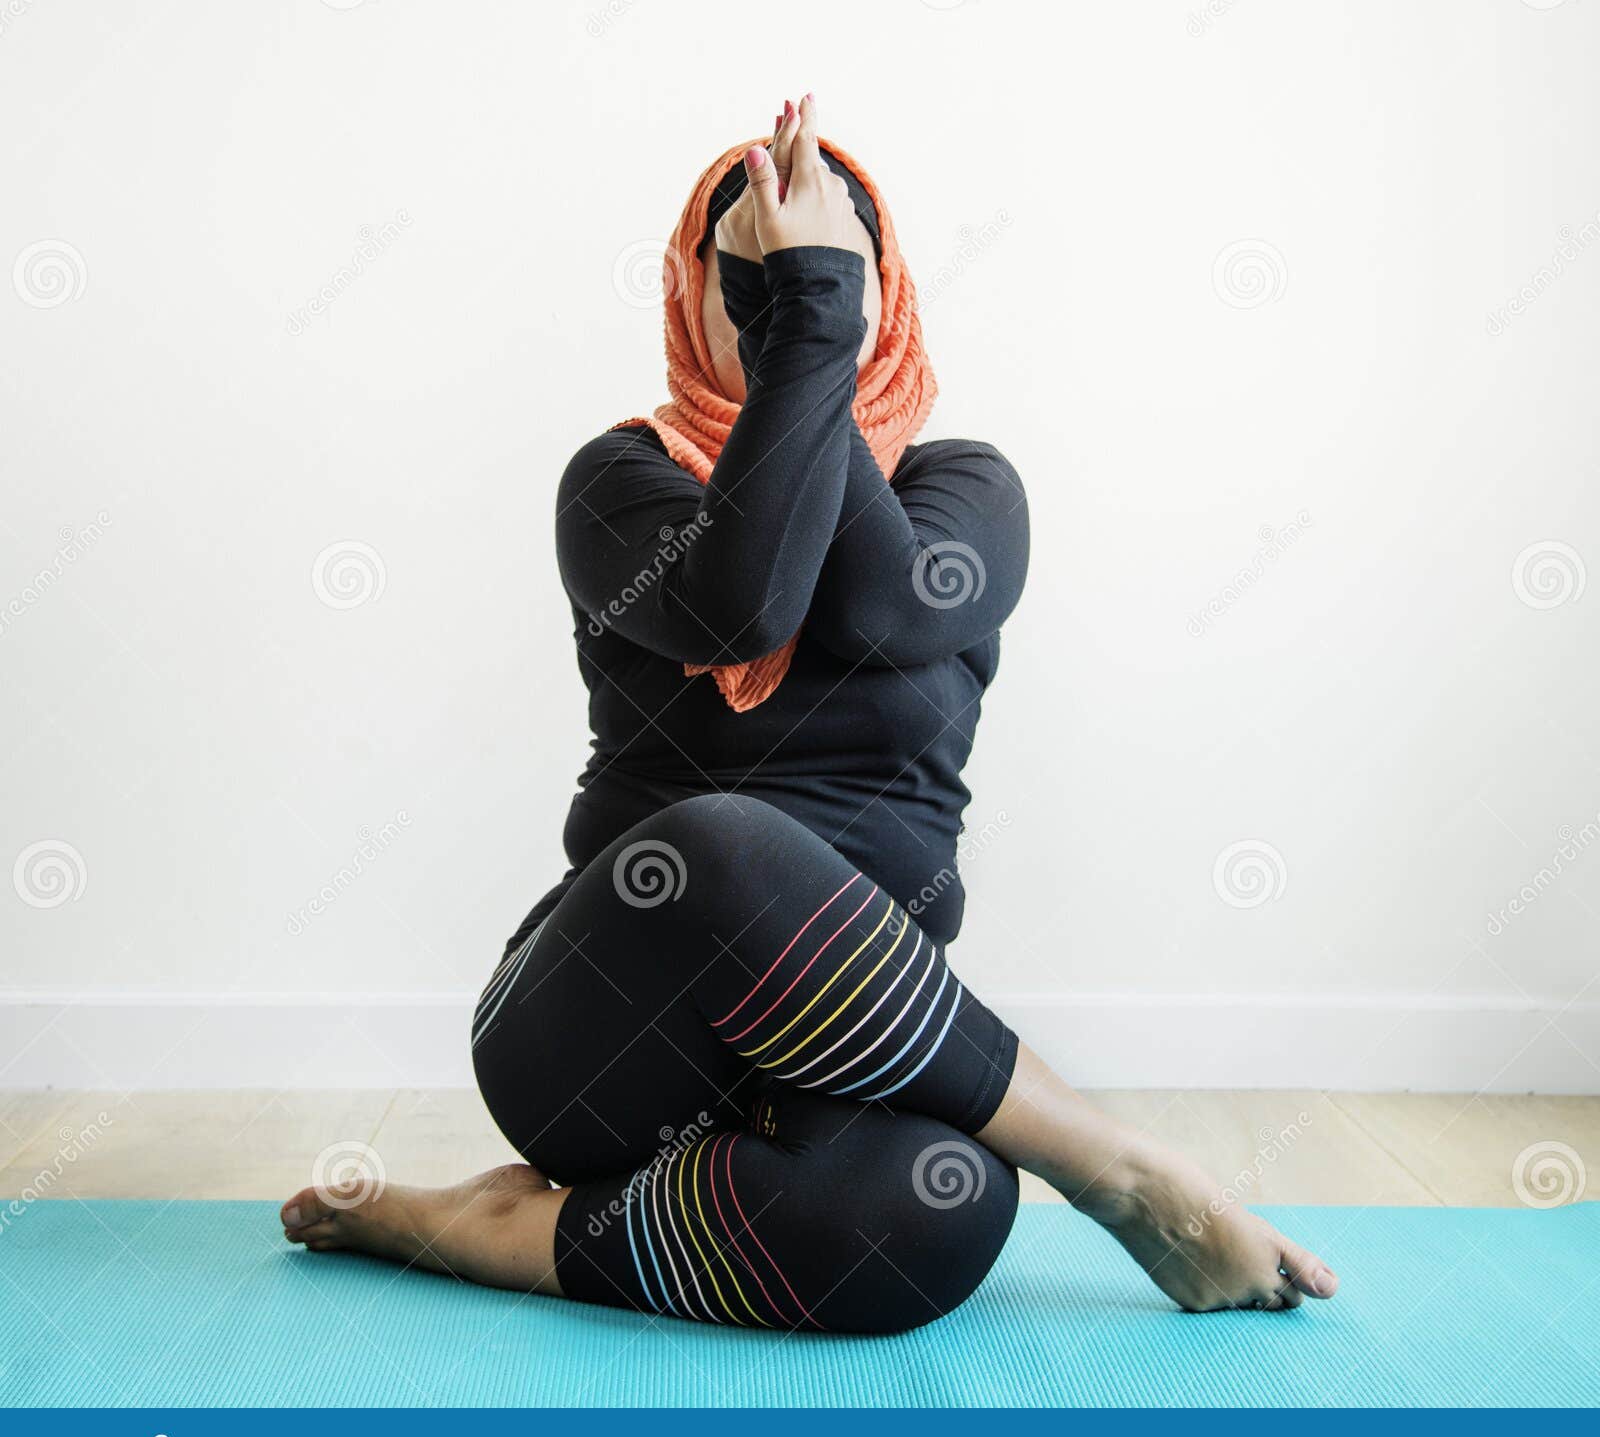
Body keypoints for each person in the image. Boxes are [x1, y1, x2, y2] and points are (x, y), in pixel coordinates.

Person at [281, 96, 1338, 1332]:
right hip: (598, 1041)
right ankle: (1117, 1166)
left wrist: (806, 318)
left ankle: (499, 1232)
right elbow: (744, 607)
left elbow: (883, 607)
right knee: (725, 839)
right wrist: (816, 314)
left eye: (827, 283)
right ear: (692, 297)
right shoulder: (618, 478)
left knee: (942, 1205)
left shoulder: (967, 488)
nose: (788, 312)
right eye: (756, 287)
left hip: (842, 1045)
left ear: (881, 296)